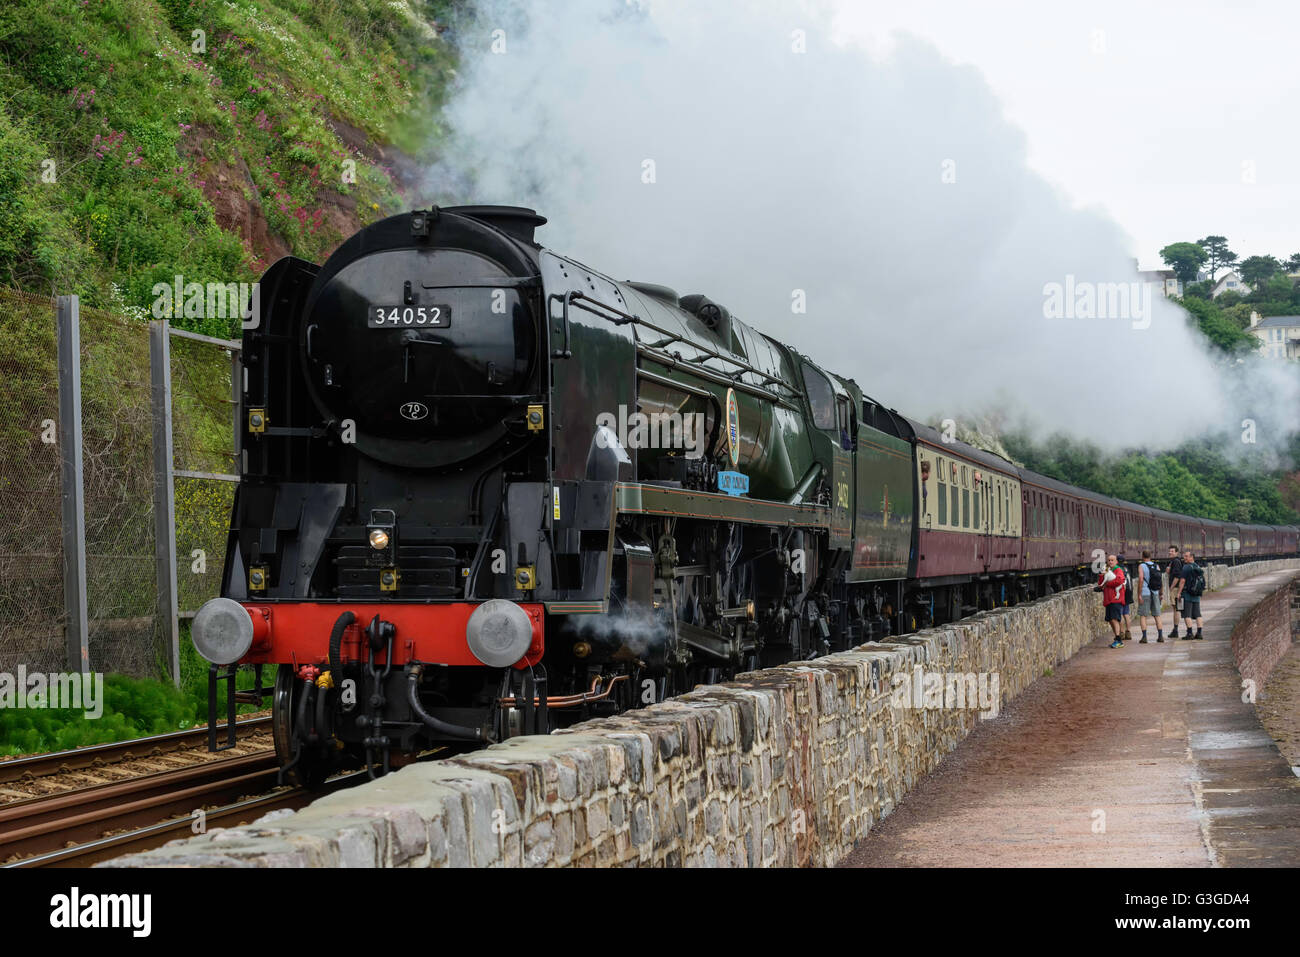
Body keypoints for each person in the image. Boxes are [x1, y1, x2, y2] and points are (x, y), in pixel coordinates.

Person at [1136, 549, 1164, 643]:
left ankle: (1144, 637)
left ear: (1142, 556)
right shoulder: (1157, 565)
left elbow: (1140, 579)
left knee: (1143, 615)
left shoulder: (1141, 566)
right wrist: (1161, 593)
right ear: (1150, 556)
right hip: (1155, 592)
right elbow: (1160, 580)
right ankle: (1160, 636)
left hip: (1145, 593)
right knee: (1157, 615)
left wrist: (1139, 594)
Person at [1099, 554, 1127, 647]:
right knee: (1110, 619)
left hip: (1115, 599)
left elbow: (1120, 581)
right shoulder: (1107, 570)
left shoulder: (1118, 570)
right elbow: (1100, 584)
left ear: (1116, 562)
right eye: (1109, 560)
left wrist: (1107, 584)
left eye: (1112, 560)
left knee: (1115, 619)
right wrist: (1101, 576)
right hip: (1108, 599)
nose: (1110, 562)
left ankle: (1119, 640)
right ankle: (1117, 638)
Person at [1180, 550, 1205, 639]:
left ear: (1191, 557)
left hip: (1187, 594)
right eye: (1184, 556)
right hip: (1197, 594)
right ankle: (1199, 633)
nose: (1184, 558)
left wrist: (1179, 593)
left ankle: (1190, 633)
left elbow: (1182, 581)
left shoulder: (1186, 567)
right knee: (1198, 614)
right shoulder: (1197, 566)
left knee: (1187, 615)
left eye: (1186, 556)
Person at [1164, 545, 1184, 639]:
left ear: (1176, 552)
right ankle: (1175, 629)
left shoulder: (1176, 562)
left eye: (1172, 551)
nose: (1170, 552)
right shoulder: (1174, 561)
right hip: (1176, 588)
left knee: (1176, 609)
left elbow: (1177, 576)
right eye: (1169, 551)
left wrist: (1171, 587)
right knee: (1176, 609)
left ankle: (1175, 630)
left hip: (1175, 588)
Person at [1117, 553, 1133, 636]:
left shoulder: (1117, 569)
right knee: (1126, 613)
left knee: (1120, 613)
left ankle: (1122, 632)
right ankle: (1128, 632)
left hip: (1121, 592)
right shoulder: (1126, 569)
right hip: (1128, 592)